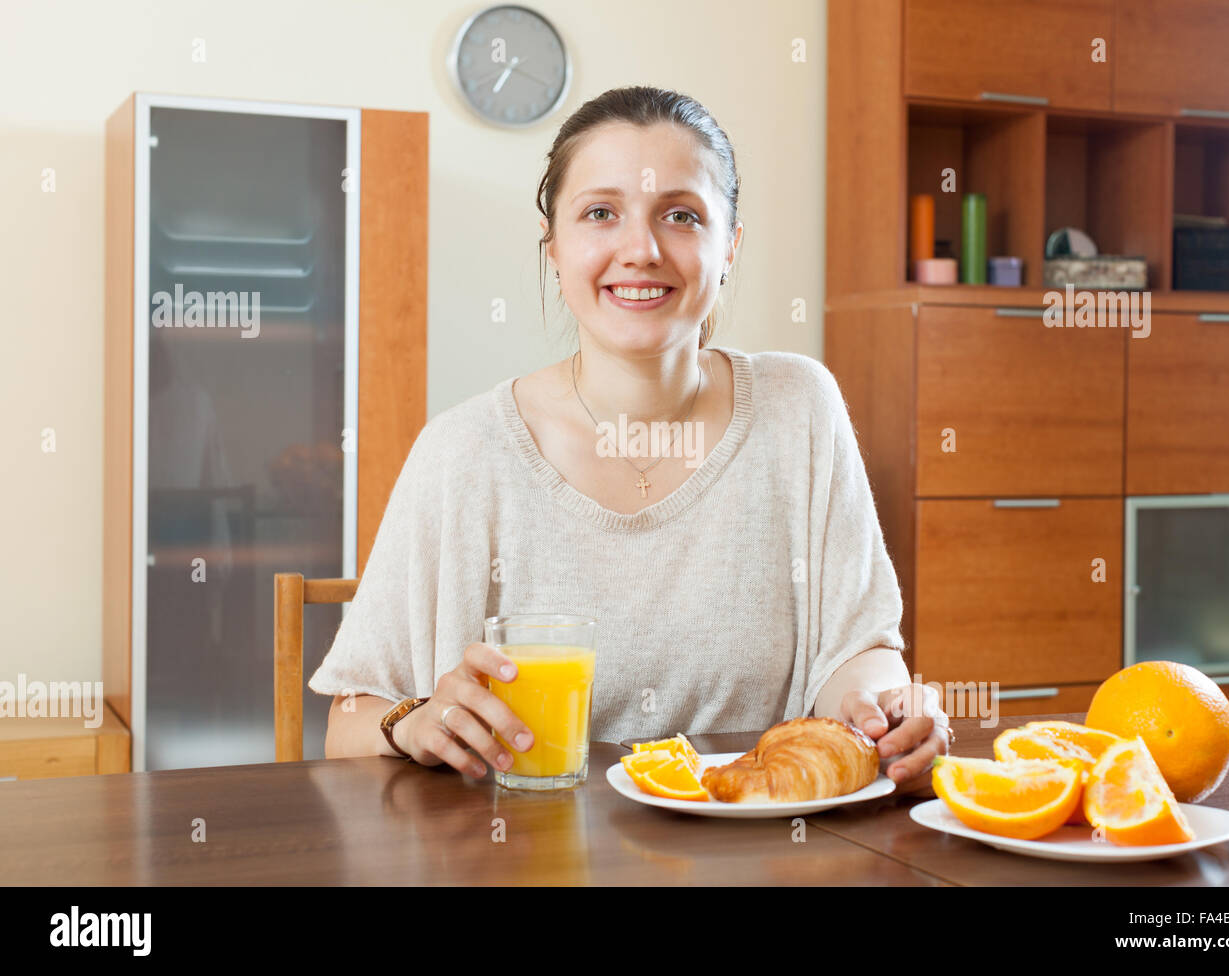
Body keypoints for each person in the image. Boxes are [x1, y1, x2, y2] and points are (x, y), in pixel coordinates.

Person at [309, 85, 951, 794]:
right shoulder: (463, 451)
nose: (640, 250)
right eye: (601, 213)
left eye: (681, 215)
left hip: (754, 855)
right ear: (553, 246)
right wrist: (414, 721)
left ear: (729, 245)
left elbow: (854, 656)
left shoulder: (799, 407)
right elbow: (349, 720)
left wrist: (885, 710)